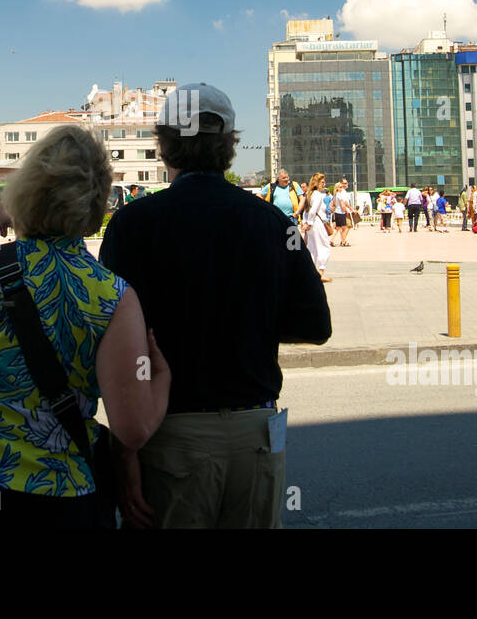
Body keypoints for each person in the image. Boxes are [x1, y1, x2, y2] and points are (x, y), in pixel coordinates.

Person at [0, 125, 171, 529]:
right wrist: (162, 377)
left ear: (23, 192)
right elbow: (133, 429)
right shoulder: (111, 296)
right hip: (51, 496)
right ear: (96, 204)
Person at [99, 82, 331, 529]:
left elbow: (116, 346)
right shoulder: (272, 223)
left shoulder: (132, 225)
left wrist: (124, 453)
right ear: (229, 147)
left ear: (164, 148)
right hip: (257, 437)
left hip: (166, 434)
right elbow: (316, 325)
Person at [301, 173, 333, 282]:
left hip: (311, 224)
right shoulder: (318, 195)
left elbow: (307, 210)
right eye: (322, 182)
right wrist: (309, 222)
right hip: (316, 223)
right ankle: (321, 272)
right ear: (317, 183)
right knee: (324, 247)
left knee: (312, 248)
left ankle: (310, 271)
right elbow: (313, 210)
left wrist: (306, 222)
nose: (324, 184)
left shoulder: (310, 194)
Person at [333, 179, 354, 247]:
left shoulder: (339, 193)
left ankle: (341, 240)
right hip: (342, 212)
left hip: (339, 212)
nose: (346, 184)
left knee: (340, 228)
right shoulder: (341, 193)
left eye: (346, 183)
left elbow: (333, 203)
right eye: (344, 183)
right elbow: (344, 204)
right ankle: (343, 241)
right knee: (346, 227)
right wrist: (348, 210)